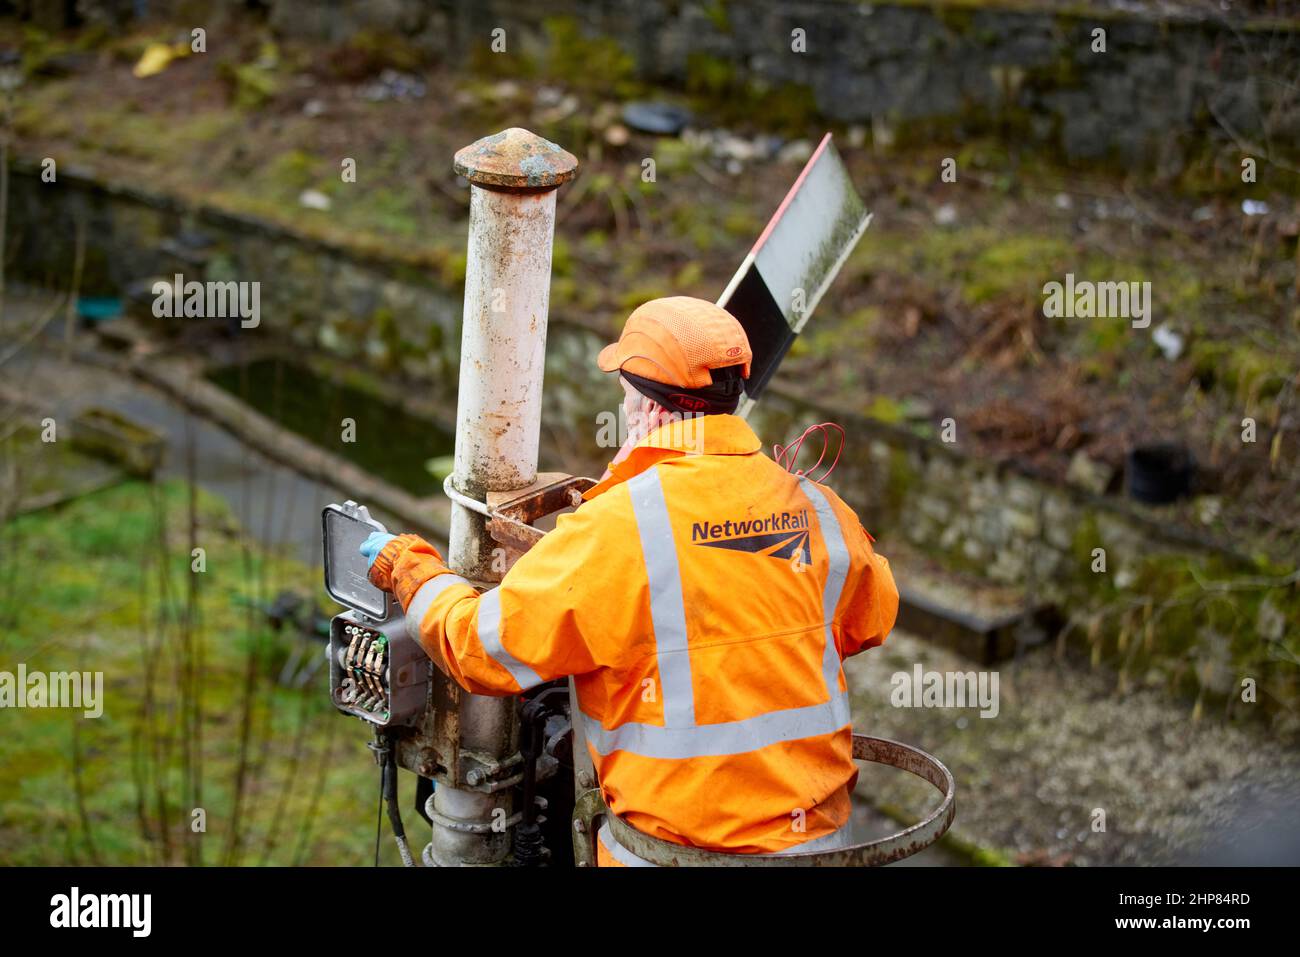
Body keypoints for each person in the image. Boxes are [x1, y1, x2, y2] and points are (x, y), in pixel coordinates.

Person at [362, 295, 899, 866]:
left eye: (625, 401)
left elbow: (478, 648)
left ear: (652, 411)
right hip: (819, 850)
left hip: (670, 855)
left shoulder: (620, 529)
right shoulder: (817, 509)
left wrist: (404, 564)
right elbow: (872, 619)